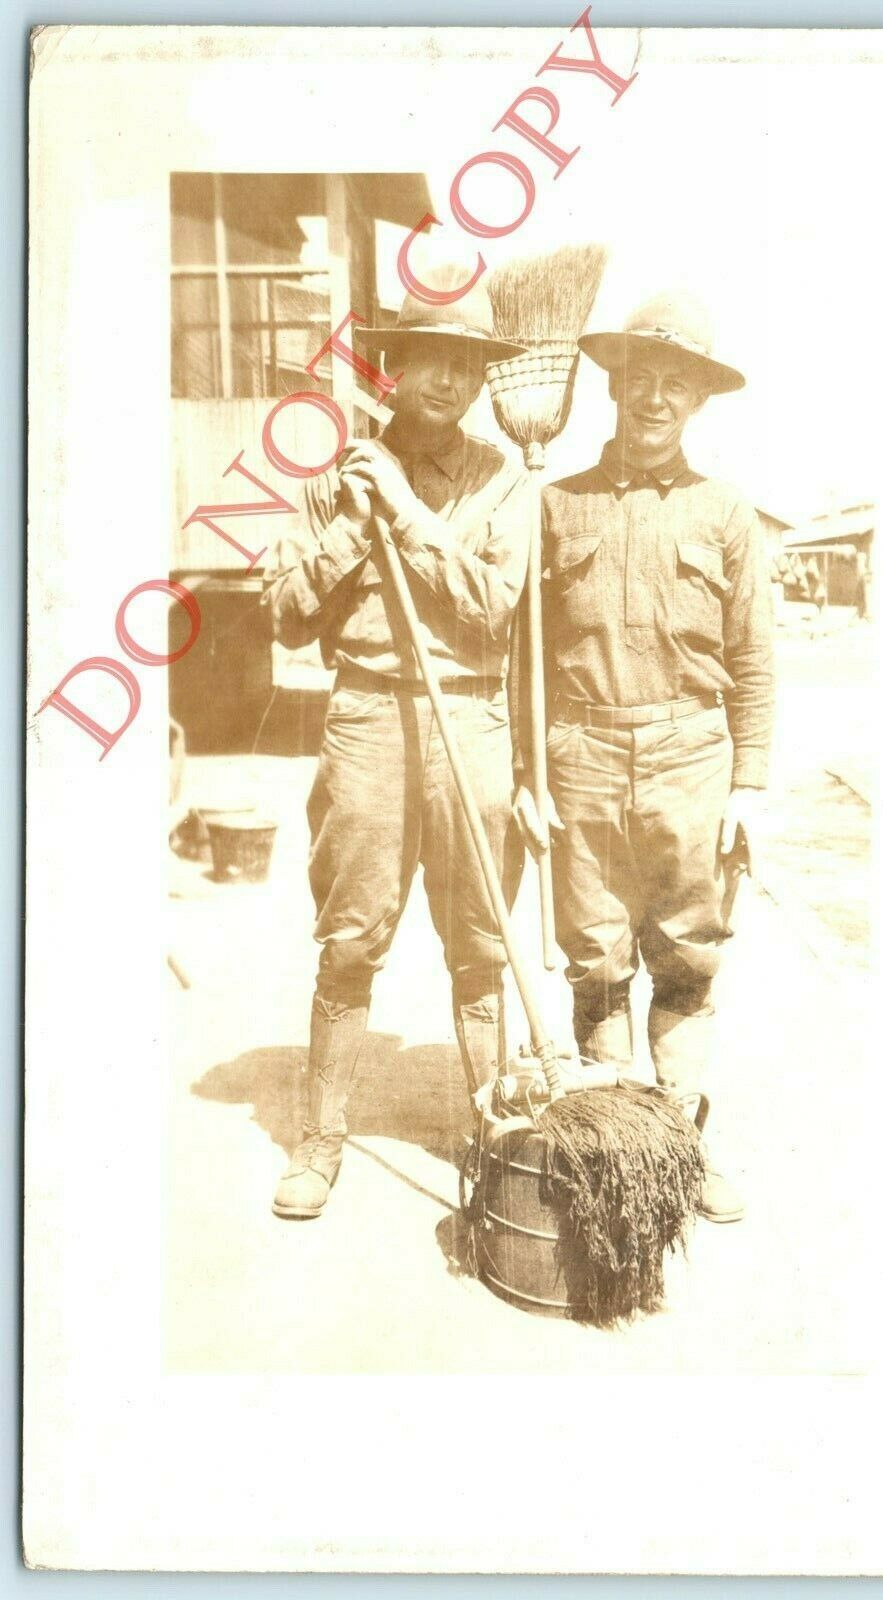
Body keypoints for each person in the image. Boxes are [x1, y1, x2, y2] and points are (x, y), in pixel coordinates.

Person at [262, 267, 529, 1220]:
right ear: (395, 369)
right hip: (368, 712)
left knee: (481, 940)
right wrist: (353, 524)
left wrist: (410, 522)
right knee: (350, 937)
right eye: (431, 362)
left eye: (467, 366)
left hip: (470, 713)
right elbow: (287, 617)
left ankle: (496, 1131)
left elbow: (497, 607)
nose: (449, 384)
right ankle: (322, 1137)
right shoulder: (335, 475)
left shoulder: (507, 479)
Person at [513, 287, 775, 1223]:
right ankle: (611, 1155)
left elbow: (751, 660)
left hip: (691, 757)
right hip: (578, 751)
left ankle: (685, 1145)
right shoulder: (555, 504)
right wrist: (525, 772)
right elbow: (523, 659)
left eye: (676, 384)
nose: (655, 399)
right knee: (593, 959)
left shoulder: (726, 512)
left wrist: (747, 783)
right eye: (638, 381)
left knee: (688, 957)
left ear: (699, 401)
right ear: (612, 389)